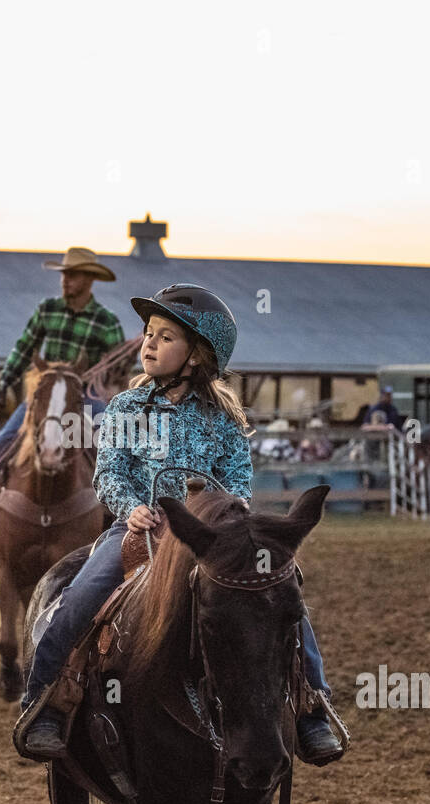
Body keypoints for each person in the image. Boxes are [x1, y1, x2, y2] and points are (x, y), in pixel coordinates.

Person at [19, 283, 343, 765]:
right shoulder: (126, 409)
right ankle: (47, 702)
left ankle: (313, 705)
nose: (149, 343)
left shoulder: (222, 419)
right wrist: (130, 507)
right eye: (149, 333)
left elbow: (238, 482)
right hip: (138, 531)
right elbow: (109, 471)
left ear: (196, 356)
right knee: (79, 600)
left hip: (208, 537)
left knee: (284, 593)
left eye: (166, 336)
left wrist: (219, 518)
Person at [0, 247, 125, 551]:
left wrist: (110, 383)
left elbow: (120, 371)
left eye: (72, 275)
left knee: (112, 445)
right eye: (64, 275)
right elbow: (22, 351)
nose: (65, 281)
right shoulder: (47, 310)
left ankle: (116, 515)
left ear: (89, 279)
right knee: (2, 444)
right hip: (45, 395)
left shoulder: (106, 321)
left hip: (85, 398)